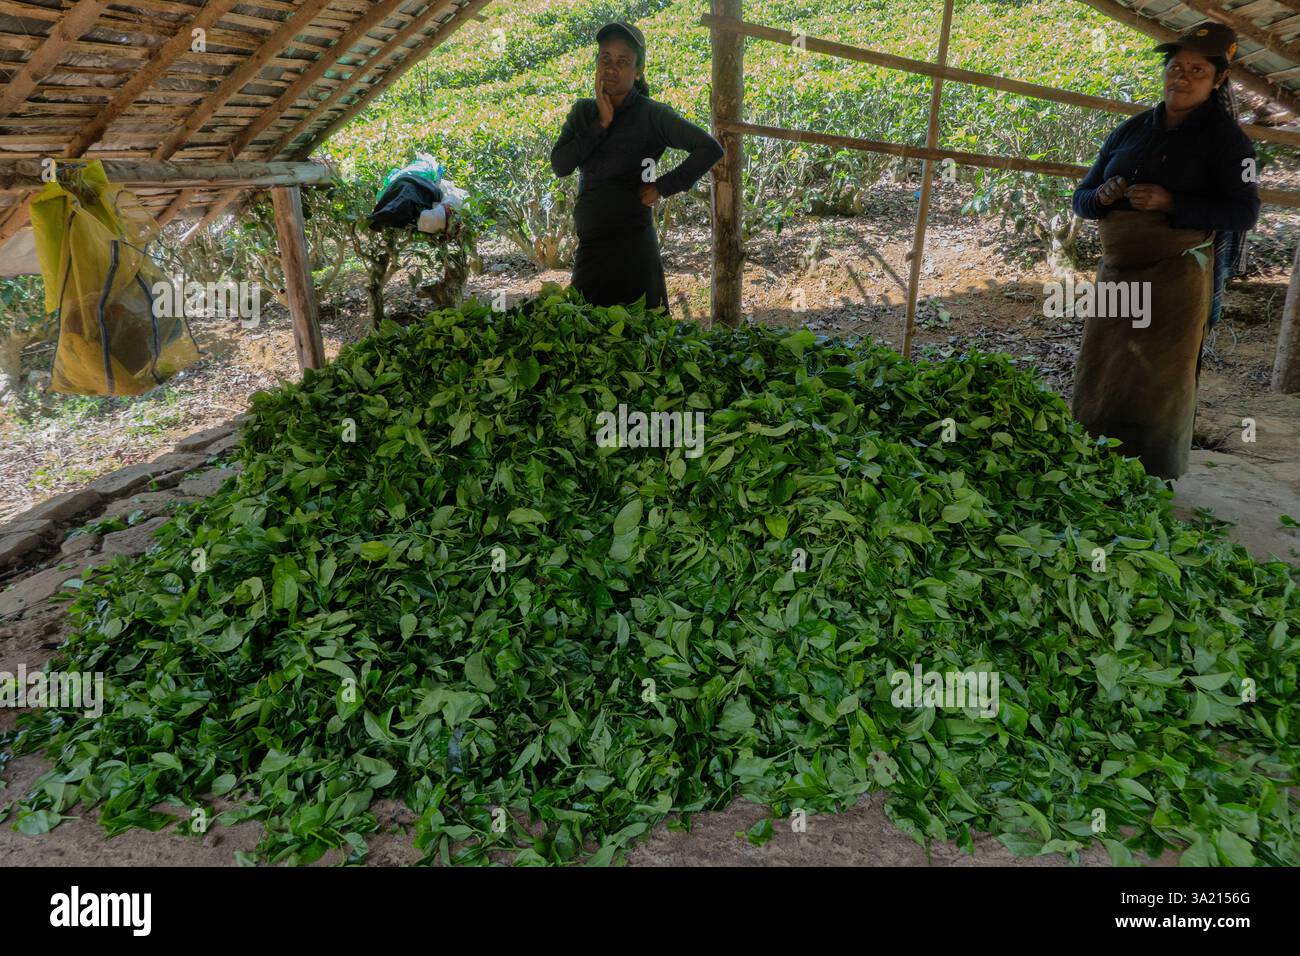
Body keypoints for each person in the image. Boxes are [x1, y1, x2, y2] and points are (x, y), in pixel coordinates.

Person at [1070, 21, 1260, 480]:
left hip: (1175, 278)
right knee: (1105, 366)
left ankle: (1149, 475)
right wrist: (1103, 196)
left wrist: (1171, 202)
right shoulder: (1133, 129)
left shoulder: (1230, 142)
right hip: (1117, 271)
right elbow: (1081, 197)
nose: (1182, 76)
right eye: (1175, 67)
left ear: (1218, 80)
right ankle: (1092, 458)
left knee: (1158, 378)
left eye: (1197, 69)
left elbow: (1244, 213)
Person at [550, 21, 724, 315]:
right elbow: (561, 165)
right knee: (588, 338)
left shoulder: (652, 114)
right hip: (591, 250)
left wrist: (662, 187)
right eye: (604, 57)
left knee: (642, 338)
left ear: (638, 70)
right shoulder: (583, 112)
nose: (610, 67)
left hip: (633, 247)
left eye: (622, 61)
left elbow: (710, 148)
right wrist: (601, 123)